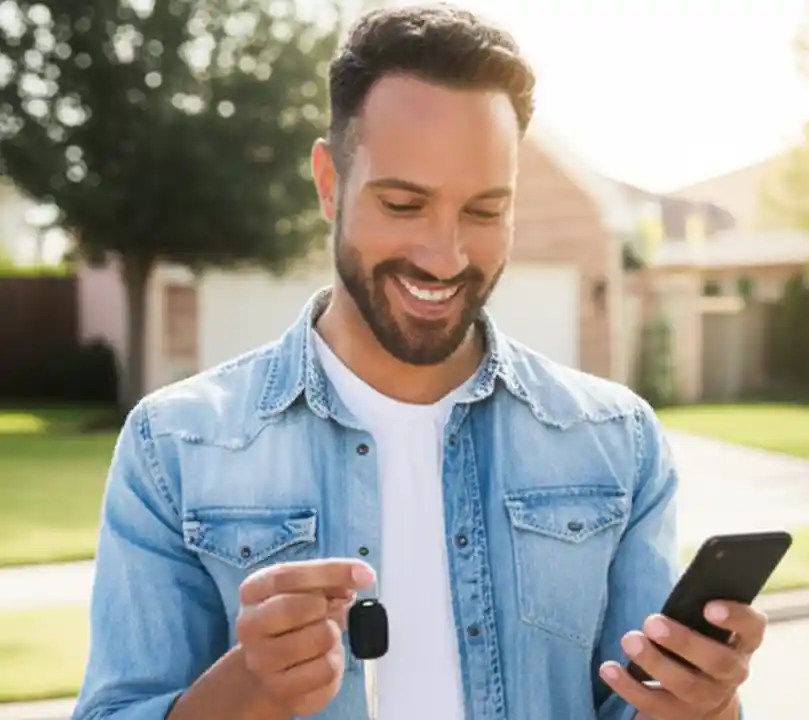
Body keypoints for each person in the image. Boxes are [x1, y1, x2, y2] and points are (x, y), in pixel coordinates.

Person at [72, 4, 769, 719]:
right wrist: (240, 692)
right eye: (404, 204)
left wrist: (709, 708)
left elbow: (640, 706)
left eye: (484, 210)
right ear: (328, 182)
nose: (447, 256)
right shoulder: (176, 447)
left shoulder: (617, 441)